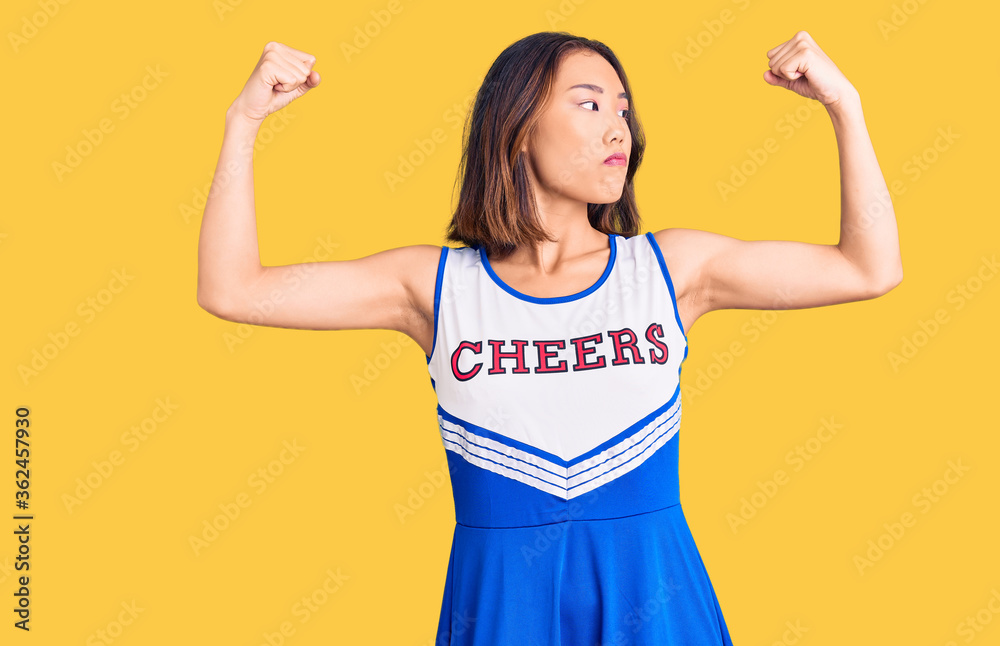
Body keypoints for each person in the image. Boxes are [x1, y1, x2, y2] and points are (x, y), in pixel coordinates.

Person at [198, 31, 901, 646]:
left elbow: (869, 268)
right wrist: (243, 122)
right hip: (502, 605)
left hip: (654, 600)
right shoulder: (436, 287)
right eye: (590, 104)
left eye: (623, 109)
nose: (618, 128)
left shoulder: (670, 270)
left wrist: (846, 106)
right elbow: (233, 289)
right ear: (518, 126)